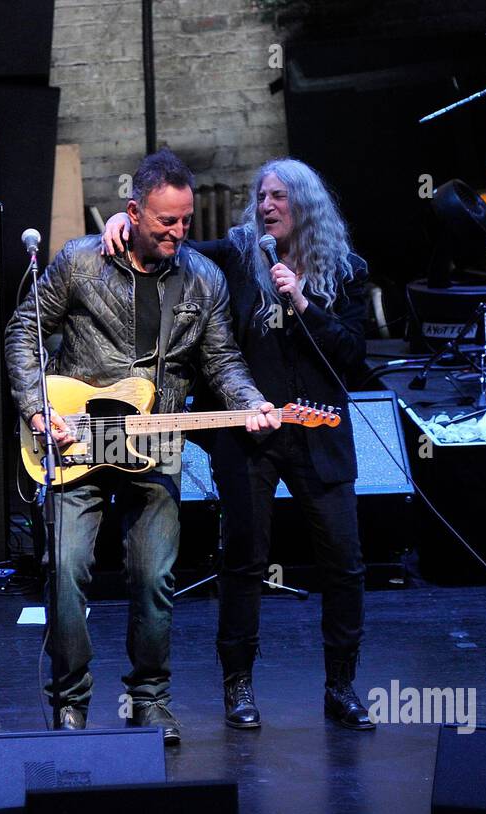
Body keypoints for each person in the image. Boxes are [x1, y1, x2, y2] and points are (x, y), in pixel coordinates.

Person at [5, 148, 279, 744]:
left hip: (156, 444)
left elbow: (222, 360)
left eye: (185, 221)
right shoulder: (79, 262)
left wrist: (252, 401)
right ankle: (71, 703)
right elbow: (24, 328)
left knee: (154, 577)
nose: (179, 233)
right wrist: (36, 407)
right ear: (133, 212)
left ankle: (149, 701)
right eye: (166, 222)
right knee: (66, 571)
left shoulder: (203, 280)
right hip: (76, 441)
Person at [102, 158, 372, 730]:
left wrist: (302, 302)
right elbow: (172, 242)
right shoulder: (237, 256)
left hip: (319, 436)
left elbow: (352, 354)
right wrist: (113, 227)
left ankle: (342, 685)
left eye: (279, 198)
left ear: (306, 207)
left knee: (343, 564)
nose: (267, 206)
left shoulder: (346, 271)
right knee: (244, 561)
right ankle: (238, 686)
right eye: (262, 197)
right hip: (248, 436)